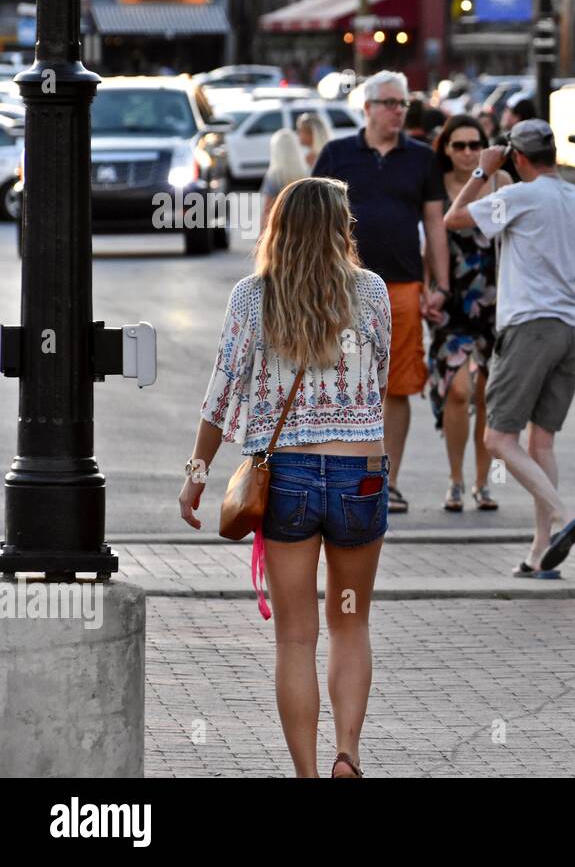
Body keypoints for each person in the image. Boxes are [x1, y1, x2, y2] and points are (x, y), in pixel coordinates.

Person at [179, 178, 392, 778]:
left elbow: (222, 394)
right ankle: (348, 754)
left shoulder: (252, 297)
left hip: (287, 476)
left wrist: (197, 475)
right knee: (350, 621)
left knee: (296, 638)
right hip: (362, 473)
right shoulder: (371, 291)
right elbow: (377, 375)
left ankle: (306, 773)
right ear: (338, 228)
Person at [444, 119, 575, 577]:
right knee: (542, 443)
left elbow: (454, 220)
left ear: (516, 158)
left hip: (530, 327)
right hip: (572, 332)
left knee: (498, 438)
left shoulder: (520, 196)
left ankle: (562, 516)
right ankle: (540, 554)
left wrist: (481, 173)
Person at [312, 69, 452, 513]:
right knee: (335, 378)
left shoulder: (421, 158)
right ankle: (337, 475)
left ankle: (384, 480)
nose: (398, 111)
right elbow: (312, 219)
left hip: (402, 286)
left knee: (398, 385)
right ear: (367, 107)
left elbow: (435, 224)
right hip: (340, 288)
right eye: (390, 103)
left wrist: (440, 285)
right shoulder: (336, 153)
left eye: (403, 104)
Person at [428, 114, 510, 511]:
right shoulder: (436, 187)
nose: (466, 152)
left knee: (488, 395)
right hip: (452, 302)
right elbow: (427, 241)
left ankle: (485, 484)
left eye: (474, 144)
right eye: (457, 145)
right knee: (457, 390)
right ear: (445, 147)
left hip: (498, 301)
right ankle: (455, 480)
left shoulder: (502, 183)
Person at [260, 129, 309, 229]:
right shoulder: (307, 170)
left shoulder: (274, 175)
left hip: (281, 227)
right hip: (305, 224)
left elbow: (268, 209)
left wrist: (262, 235)